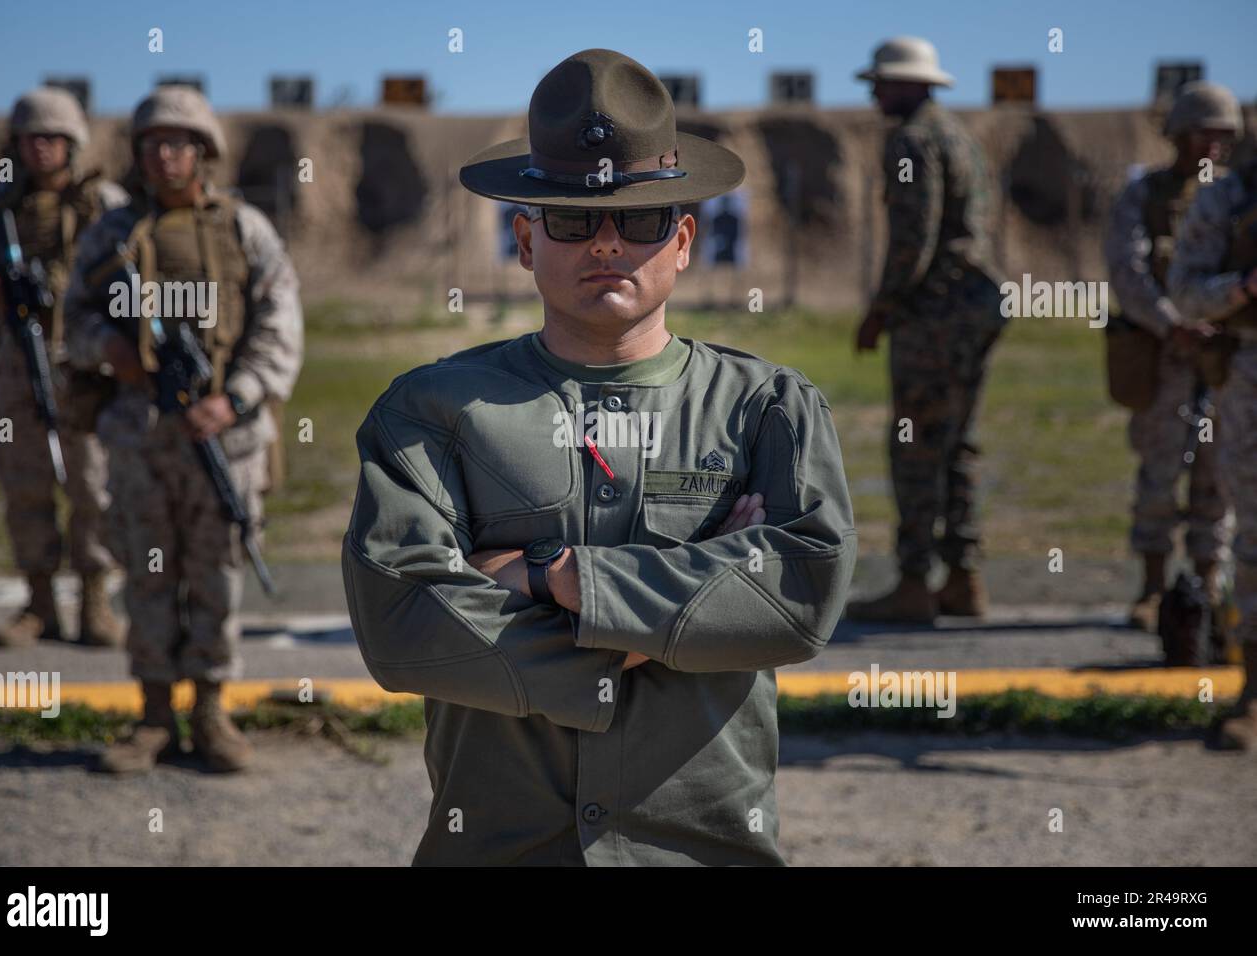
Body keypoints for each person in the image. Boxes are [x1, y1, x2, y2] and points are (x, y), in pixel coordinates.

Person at [341, 48, 858, 865]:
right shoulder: (432, 413)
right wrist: (691, 598)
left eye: (642, 220)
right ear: (524, 238)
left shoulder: (766, 409)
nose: (607, 243)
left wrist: (546, 575)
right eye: (575, 220)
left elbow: (797, 598)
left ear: (684, 239)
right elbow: (403, 627)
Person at [64, 86, 304, 773]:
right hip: (138, 436)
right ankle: (153, 715)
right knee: (147, 571)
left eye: (178, 142)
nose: (164, 154)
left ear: (203, 151)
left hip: (221, 439)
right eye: (152, 143)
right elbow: (73, 318)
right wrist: (106, 352)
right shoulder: (111, 236)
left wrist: (235, 399)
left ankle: (210, 709)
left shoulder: (244, 229)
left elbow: (279, 326)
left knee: (215, 571)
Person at [0, 86, 127, 647]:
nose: (41, 149)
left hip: (82, 363)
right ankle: (39, 604)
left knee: (91, 482)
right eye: (31, 139)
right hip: (15, 361)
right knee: (24, 483)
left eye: (53, 138)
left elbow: (134, 275)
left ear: (73, 143)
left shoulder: (103, 205)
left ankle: (96, 601)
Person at [846, 36, 1008, 623]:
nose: (874, 94)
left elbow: (915, 238)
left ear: (913, 85)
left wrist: (881, 309)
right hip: (975, 304)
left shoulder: (912, 140)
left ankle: (915, 582)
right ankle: (964, 576)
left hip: (936, 313)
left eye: (882, 82)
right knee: (957, 441)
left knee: (914, 442)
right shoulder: (957, 133)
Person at [1105, 81, 1241, 632]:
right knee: (1159, 472)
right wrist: (1172, 324)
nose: (1212, 146)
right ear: (1179, 134)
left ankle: (1207, 591)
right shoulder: (1145, 194)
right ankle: (1154, 589)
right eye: (1203, 133)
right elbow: (1126, 268)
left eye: (1222, 135)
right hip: (1164, 356)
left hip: (1223, 357)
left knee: (1218, 477)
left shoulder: (1237, 198)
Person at [1167, 144, 1257, 751]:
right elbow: (1187, 292)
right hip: (1251, 379)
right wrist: (1245, 288)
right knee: (1253, 533)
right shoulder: (1229, 198)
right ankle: (1254, 690)